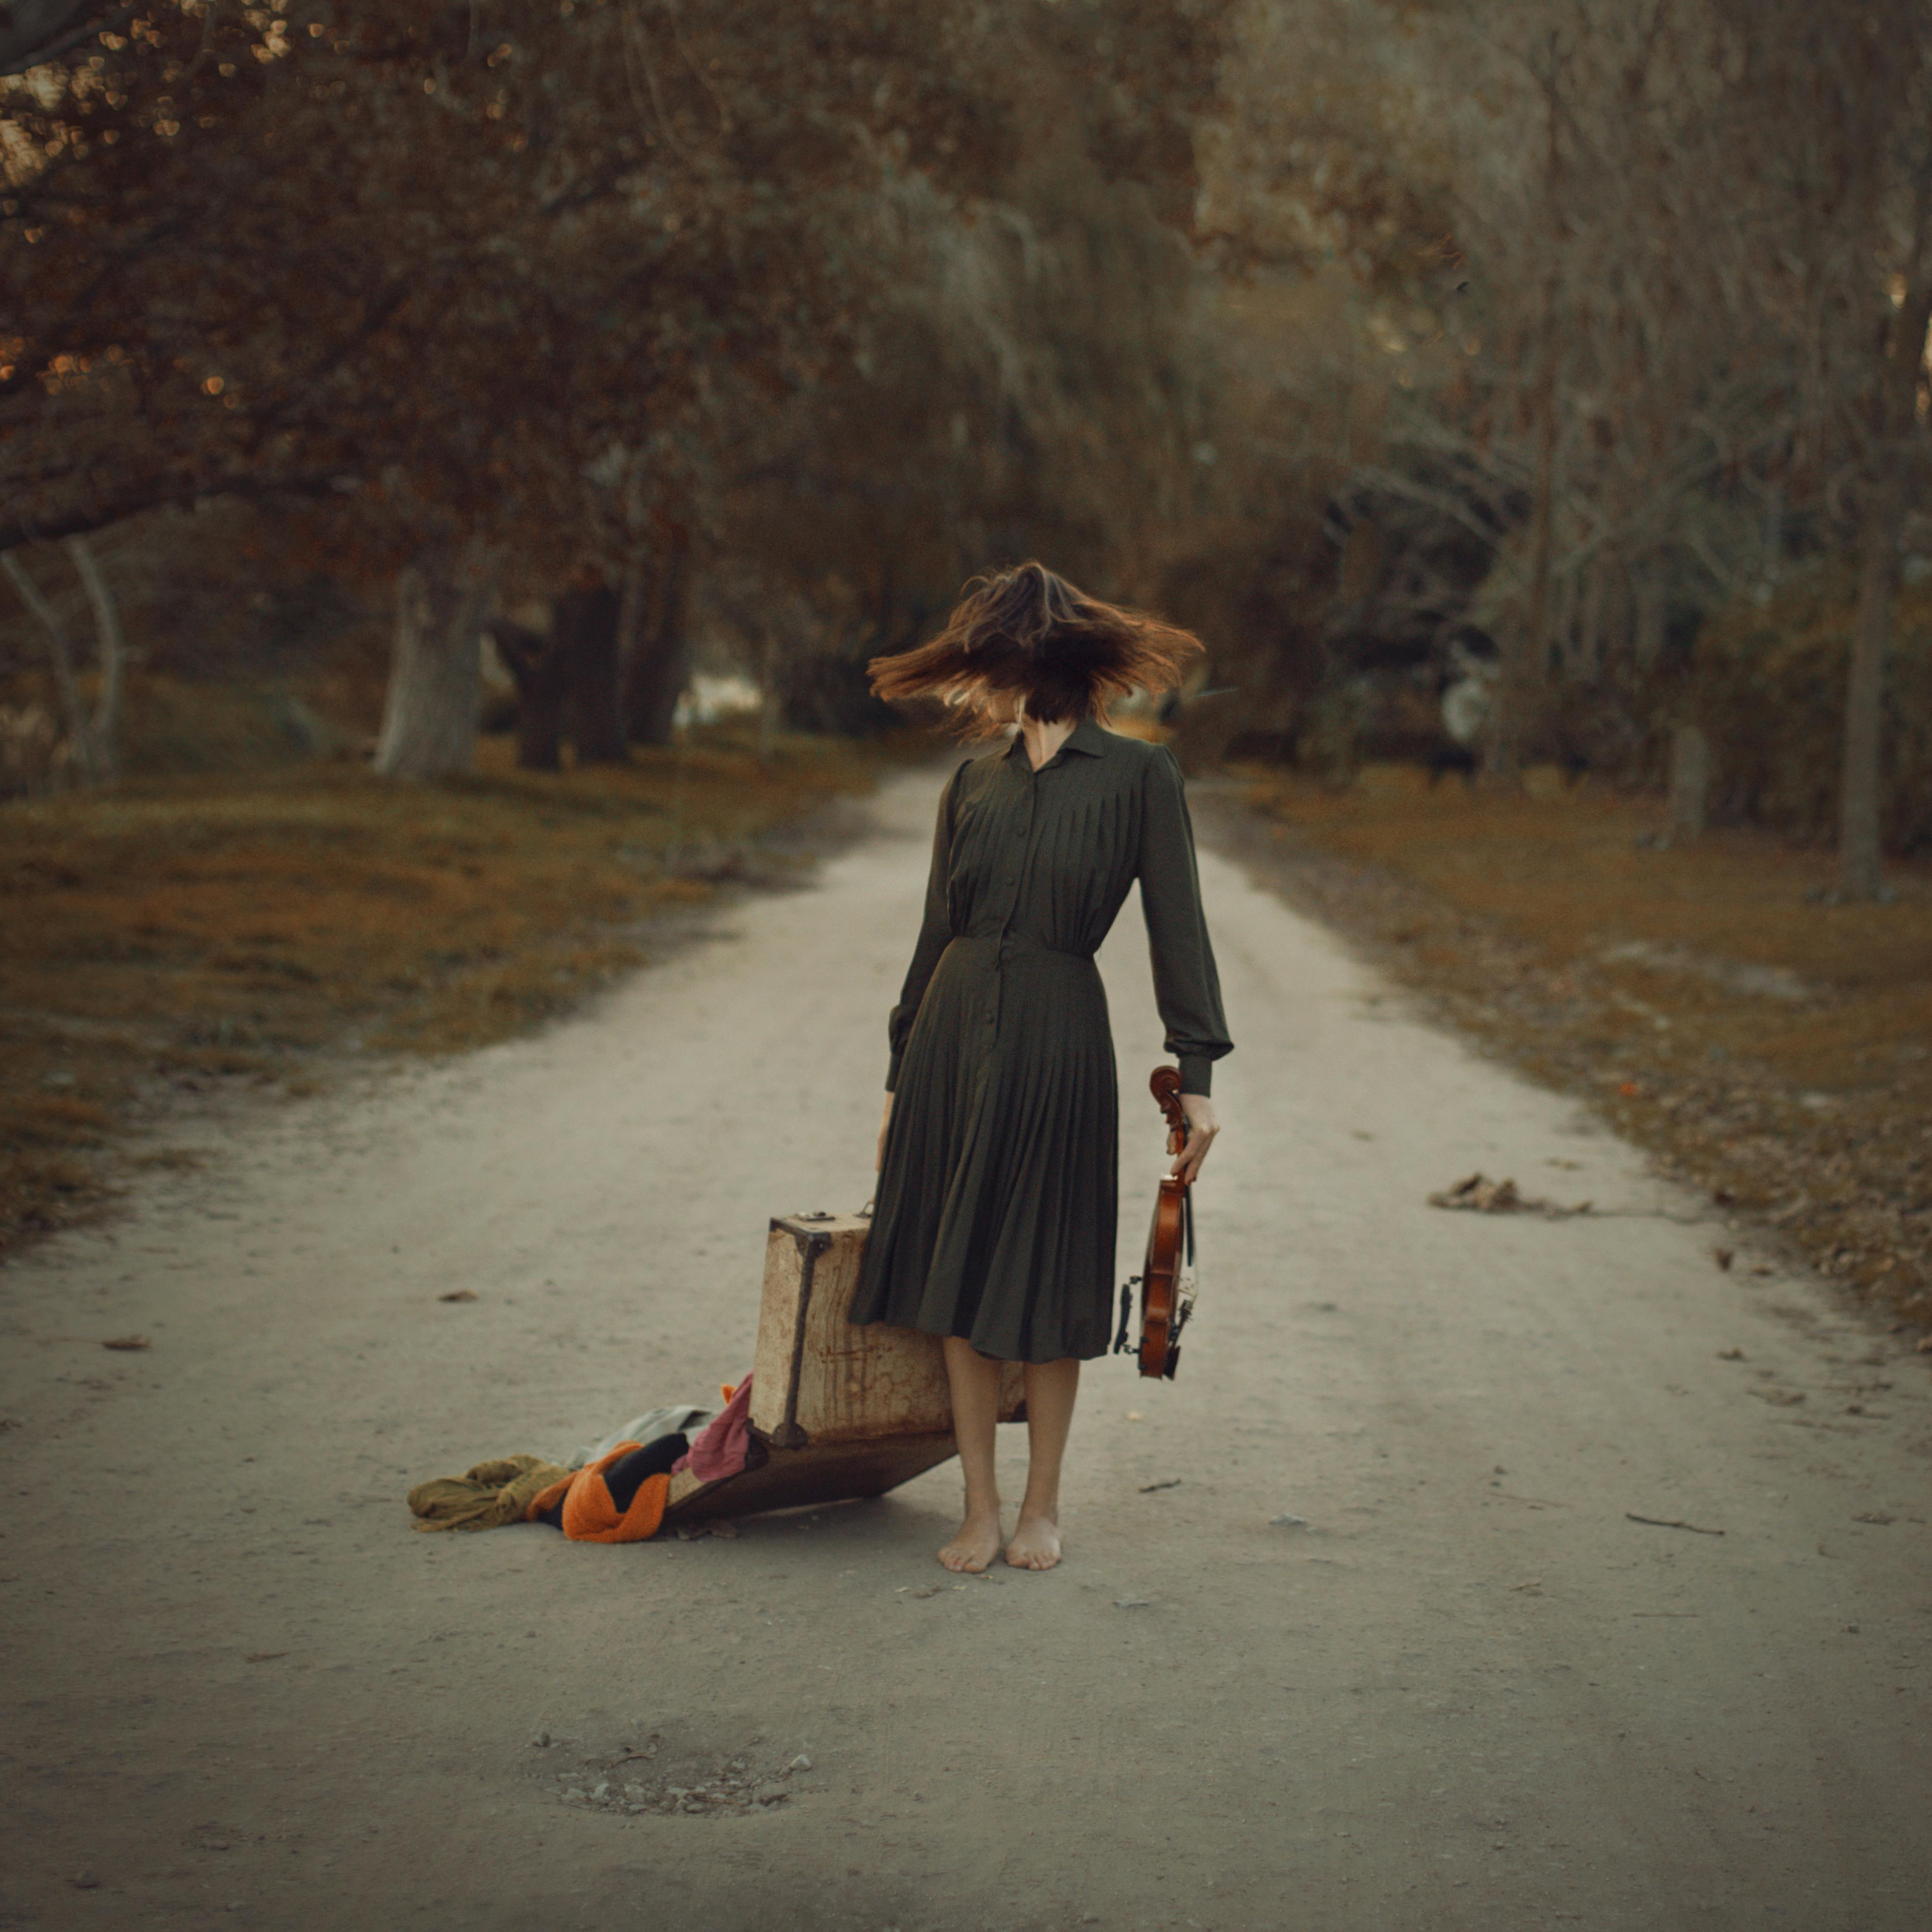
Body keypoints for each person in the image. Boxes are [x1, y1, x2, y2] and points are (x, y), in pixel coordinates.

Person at [847, 562, 1233, 1574]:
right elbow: (936, 932)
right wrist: (896, 1077)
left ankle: (1041, 1507)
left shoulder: (1139, 778)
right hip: (949, 1038)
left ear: (1049, 661)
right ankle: (975, 1504)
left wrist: (1194, 1072)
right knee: (956, 1282)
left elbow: (1176, 930)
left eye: (1002, 659)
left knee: (1047, 1276)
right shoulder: (971, 781)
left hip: (1061, 1037)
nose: (990, 681)